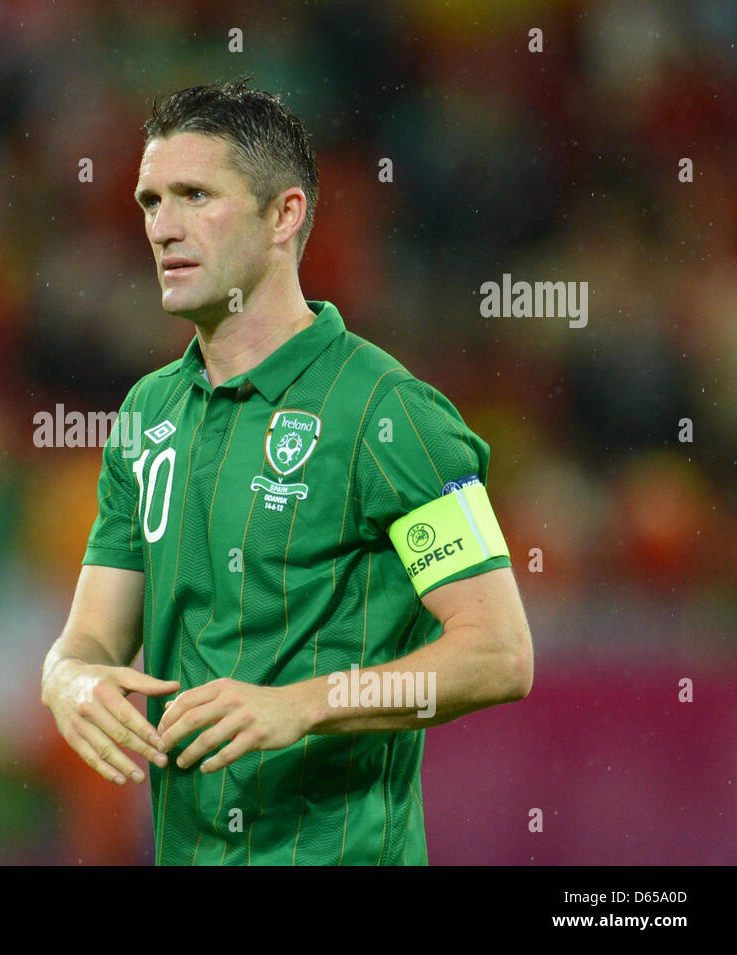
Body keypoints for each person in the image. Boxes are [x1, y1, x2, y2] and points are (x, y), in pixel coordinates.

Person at [40, 77, 533, 865]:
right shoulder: (145, 416)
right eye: (149, 201)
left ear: (285, 216)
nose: (164, 227)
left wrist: (303, 706)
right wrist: (67, 678)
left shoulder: (389, 414)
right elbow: (95, 632)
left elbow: (499, 653)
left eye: (196, 195)